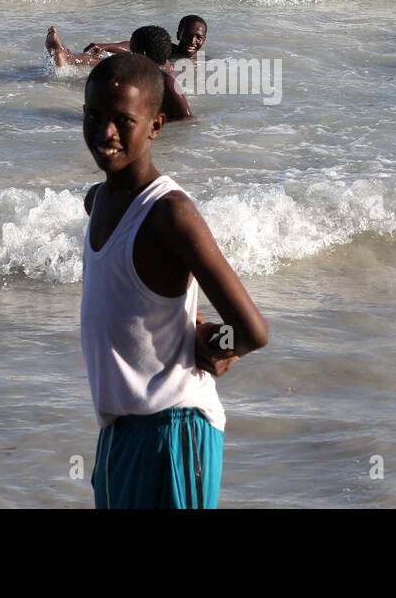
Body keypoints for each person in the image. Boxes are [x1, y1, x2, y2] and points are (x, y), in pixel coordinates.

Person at [79, 51, 268, 508]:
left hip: (175, 430)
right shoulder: (97, 201)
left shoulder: (169, 213)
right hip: (121, 431)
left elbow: (252, 331)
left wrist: (219, 345)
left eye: (123, 121)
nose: (106, 133)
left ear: (156, 126)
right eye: (94, 116)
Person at [47, 24, 194, 120]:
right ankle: (66, 56)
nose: (130, 53)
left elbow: (187, 119)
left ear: (140, 54)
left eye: (132, 51)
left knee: (108, 64)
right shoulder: (166, 70)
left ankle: (66, 56)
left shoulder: (165, 82)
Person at [47, 15, 207, 66]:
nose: (192, 41)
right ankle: (65, 56)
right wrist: (106, 46)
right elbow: (132, 45)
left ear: (204, 39)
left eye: (199, 37)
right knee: (102, 60)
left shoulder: (202, 60)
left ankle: (64, 54)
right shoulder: (166, 47)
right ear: (179, 35)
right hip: (145, 68)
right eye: (187, 36)